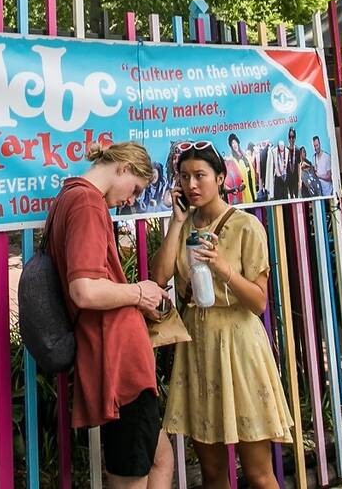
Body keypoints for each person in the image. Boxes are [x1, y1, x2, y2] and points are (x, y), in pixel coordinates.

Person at [150, 143, 292, 488]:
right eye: (184, 177)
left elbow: (258, 303)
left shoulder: (246, 226)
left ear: (220, 177)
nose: (191, 185)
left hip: (240, 347)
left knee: (259, 474)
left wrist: (225, 269)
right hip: (198, 347)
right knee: (213, 474)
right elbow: (158, 278)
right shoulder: (183, 225)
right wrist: (175, 223)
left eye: (200, 176)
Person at [43, 142, 174, 489]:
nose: (132, 199)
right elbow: (84, 289)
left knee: (160, 458)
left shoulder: (70, 197)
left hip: (117, 355)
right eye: (136, 189)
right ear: (122, 167)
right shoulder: (87, 203)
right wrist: (139, 292)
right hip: (118, 359)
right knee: (131, 473)